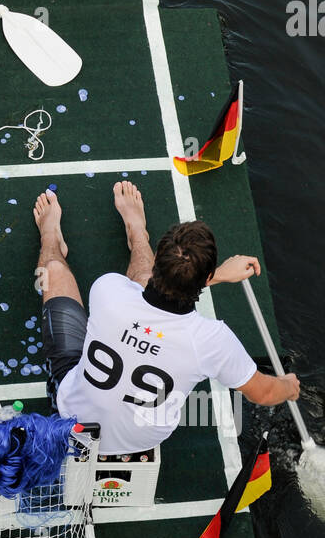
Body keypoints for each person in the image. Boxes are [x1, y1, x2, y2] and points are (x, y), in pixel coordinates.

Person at [33, 181, 299, 458]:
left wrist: (213, 275)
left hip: (71, 421)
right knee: (143, 283)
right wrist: (289, 386)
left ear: (157, 258)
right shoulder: (213, 341)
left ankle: (51, 239)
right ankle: (137, 232)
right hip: (138, 442)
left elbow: (145, 286)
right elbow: (265, 394)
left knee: (53, 270)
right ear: (206, 279)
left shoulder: (108, 288)